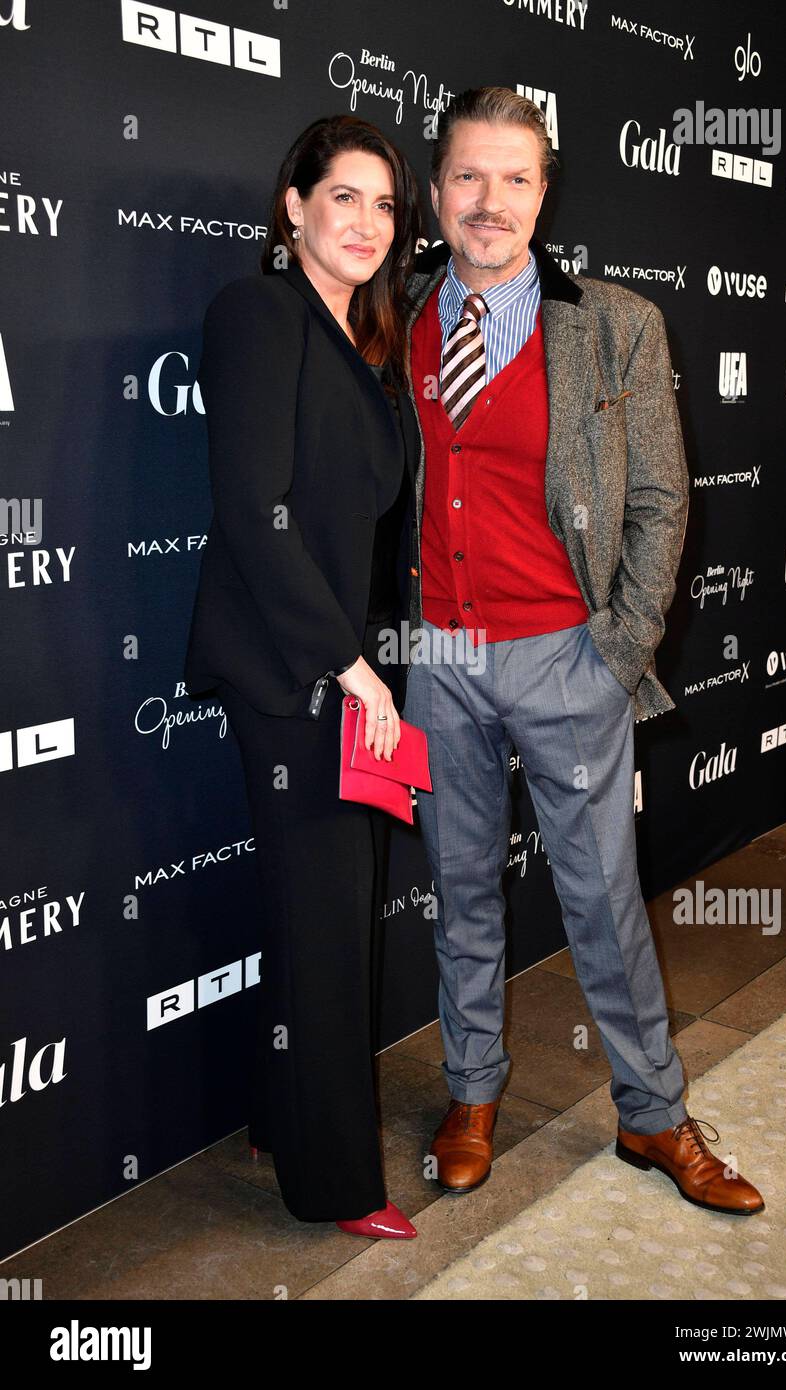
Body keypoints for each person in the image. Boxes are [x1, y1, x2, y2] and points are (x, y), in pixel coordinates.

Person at [401, 87, 764, 1215]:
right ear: (437, 188)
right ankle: (470, 1094)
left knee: (604, 900)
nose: (489, 201)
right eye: (468, 176)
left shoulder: (616, 321)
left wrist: (618, 649)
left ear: (545, 191)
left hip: (567, 656)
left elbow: (662, 497)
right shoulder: (400, 315)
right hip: (436, 660)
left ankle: (653, 1114)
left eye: (514, 178)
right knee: (460, 889)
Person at [184, 114, 422, 1238]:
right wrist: (349, 668)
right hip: (296, 676)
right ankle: (335, 1185)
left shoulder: (360, 345)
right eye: (345, 197)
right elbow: (252, 513)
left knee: (328, 917)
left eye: (385, 205)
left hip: (346, 672)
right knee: (328, 928)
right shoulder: (259, 313)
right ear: (293, 206)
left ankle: (284, 1115)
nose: (368, 223)